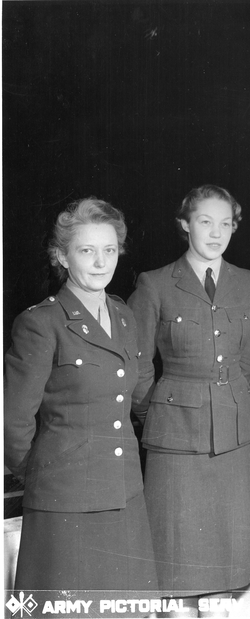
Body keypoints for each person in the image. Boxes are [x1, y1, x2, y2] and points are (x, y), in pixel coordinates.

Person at [128, 185, 250, 615]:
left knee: (231, 563)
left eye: (225, 223)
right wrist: (158, 412)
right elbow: (138, 363)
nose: (216, 233)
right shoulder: (155, 283)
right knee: (176, 561)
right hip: (175, 439)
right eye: (205, 222)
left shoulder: (248, 282)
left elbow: (247, 357)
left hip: (235, 435)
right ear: (184, 225)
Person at [4, 197, 158, 591]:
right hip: (65, 499)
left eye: (110, 250)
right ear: (62, 256)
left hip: (124, 494)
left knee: (123, 611)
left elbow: (138, 395)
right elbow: (12, 420)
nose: (101, 262)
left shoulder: (124, 316)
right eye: (87, 251)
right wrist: (45, 473)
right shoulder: (41, 323)